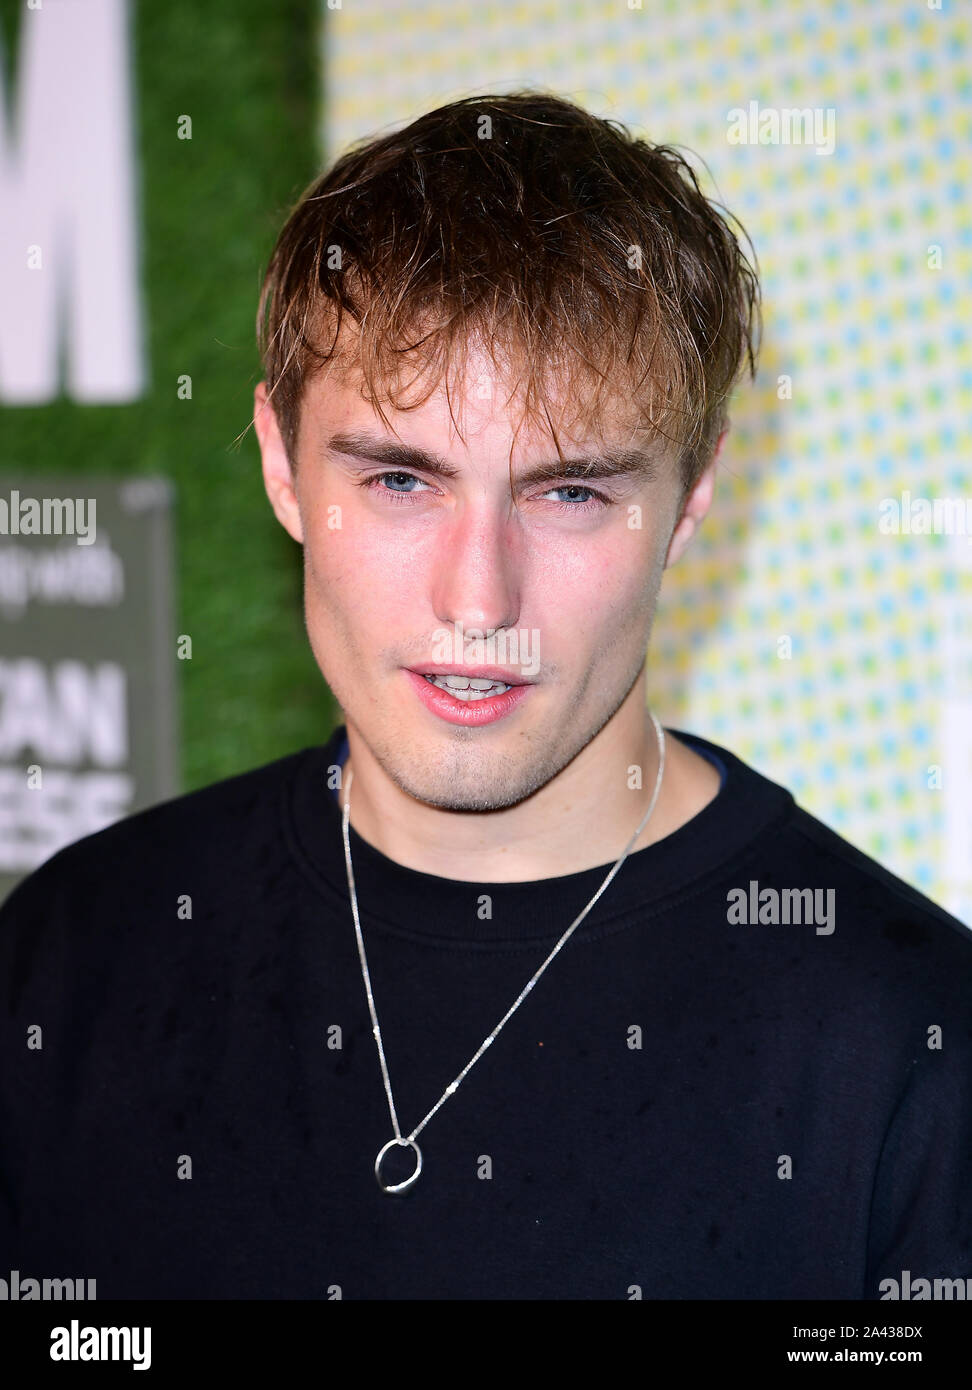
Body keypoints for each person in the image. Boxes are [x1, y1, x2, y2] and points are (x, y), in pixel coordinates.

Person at [1, 91, 969, 1301]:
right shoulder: (69, 957)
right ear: (277, 463)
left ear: (696, 491)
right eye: (402, 478)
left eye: (570, 493)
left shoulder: (914, 1057)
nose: (478, 597)